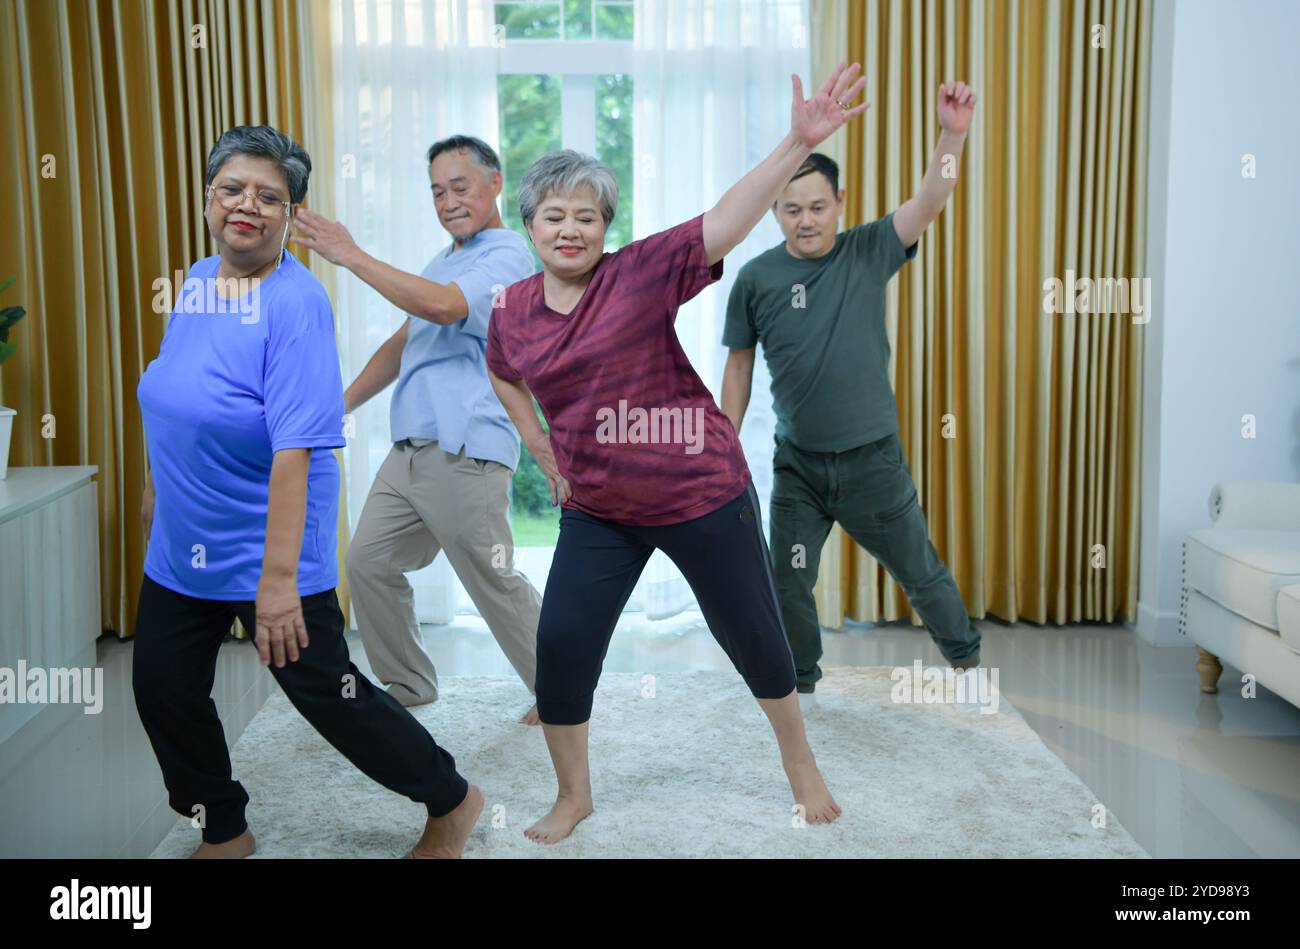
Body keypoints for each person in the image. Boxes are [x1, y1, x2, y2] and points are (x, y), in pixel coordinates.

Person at [486, 63, 871, 844]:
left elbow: (725, 219)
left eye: (587, 216)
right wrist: (539, 446)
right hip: (598, 509)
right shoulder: (513, 310)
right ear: (529, 226)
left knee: (757, 639)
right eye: (554, 215)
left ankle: (800, 762)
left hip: (700, 493)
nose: (571, 229)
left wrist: (797, 143)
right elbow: (501, 371)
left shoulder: (638, 273)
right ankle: (574, 794)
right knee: (561, 643)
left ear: (606, 226)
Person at [134, 125, 482, 859]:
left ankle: (452, 798)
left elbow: (295, 448)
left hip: (269, 546)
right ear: (207, 199)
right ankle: (223, 828)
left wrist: (279, 583)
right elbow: (172, 397)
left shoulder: (296, 306)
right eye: (233, 189)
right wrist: (152, 491)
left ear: (290, 214)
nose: (247, 206)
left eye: (270, 196)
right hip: (182, 544)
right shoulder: (197, 281)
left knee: (331, 697)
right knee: (163, 689)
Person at [720, 82, 982, 697]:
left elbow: (931, 199)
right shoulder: (756, 278)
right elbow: (738, 367)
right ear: (775, 212)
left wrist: (954, 135)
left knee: (920, 573)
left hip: (872, 461)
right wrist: (725, 443)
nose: (805, 219)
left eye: (817, 206)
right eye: (791, 209)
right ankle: (802, 685)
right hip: (799, 468)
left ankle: (970, 668)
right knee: (786, 579)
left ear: (840, 202)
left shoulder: (868, 250)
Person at [292, 135, 541, 722]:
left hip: (467, 446)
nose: (448, 200)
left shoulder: (508, 255)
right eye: (437, 191)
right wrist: (338, 407)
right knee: (368, 562)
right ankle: (409, 686)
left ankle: (561, 690)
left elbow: (445, 309)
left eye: (460, 186)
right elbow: (405, 342)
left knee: (493, 581)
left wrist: (351, 255)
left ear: (495, 183)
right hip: (411, 448)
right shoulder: (445, 260)